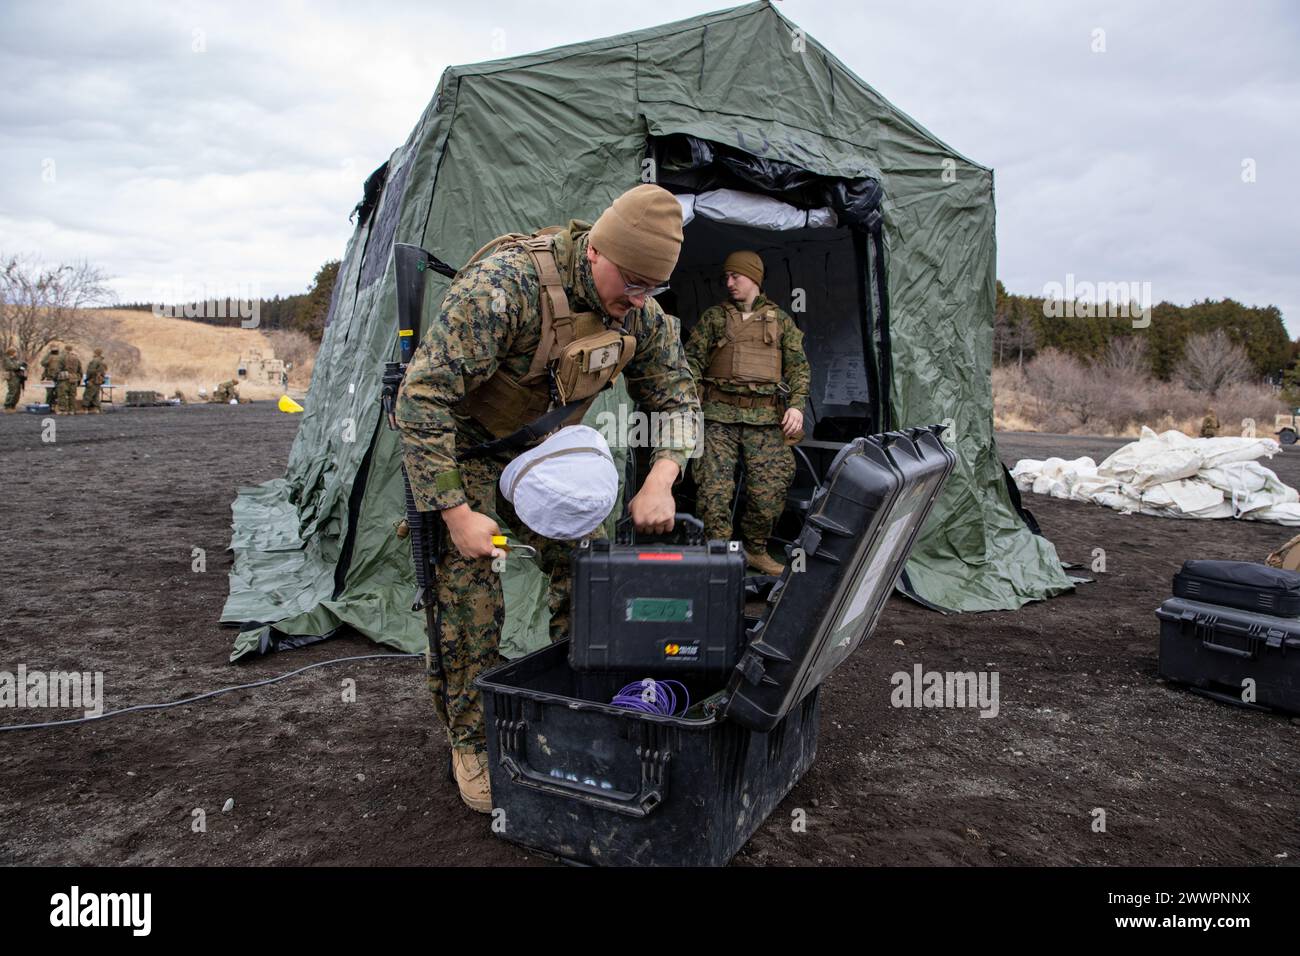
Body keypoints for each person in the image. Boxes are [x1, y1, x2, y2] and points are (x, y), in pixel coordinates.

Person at [395, 183, 698, 813]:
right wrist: (455, 513)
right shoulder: (504, 289)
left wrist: (660, 477)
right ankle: (473, 738)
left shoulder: (640, 315)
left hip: (543, 449)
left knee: (589, 567)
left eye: (653, 288)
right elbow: (421, 400)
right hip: (464, 448)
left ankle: (584, 701)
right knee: (471, 580)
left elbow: (677, 400)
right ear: (596, 252)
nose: (639, 299)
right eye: (633, 281)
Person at [684, 250, 809, 576]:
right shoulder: (714, 318)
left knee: (770, 491)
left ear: (754, 277)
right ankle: (718, 554)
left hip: (766, 419)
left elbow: (799, 369)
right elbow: (690, 363)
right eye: (725, 277)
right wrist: (694, 406)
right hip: (717, 417)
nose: (729, 282)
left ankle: (755, 550)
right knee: (713, 491)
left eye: (735, 276)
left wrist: (796, 405)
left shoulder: (781, 320)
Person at [56, 346, 82, 415]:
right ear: (71, 349)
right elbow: (80, 370)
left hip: (64, 379)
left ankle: (63, 410)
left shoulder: (61, 357)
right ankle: (72, 410)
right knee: (72, 395)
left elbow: (57, 369)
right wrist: (79, 379)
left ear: (65, 349)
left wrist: (55, 377)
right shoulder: (76, 358)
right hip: (74, 378)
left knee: (63, 395)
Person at [82, 348, 107, 414]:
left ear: (95, 353)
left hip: (93, 380)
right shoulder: (102, 361)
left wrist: (87, 378)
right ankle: (97, 409)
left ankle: (85, 409)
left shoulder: (95, 361)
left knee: (87, 395)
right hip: (98, 381)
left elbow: (90, 371)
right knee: (96, 395)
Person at [3, 347, 25, 412]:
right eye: (15, 352)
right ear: (12, 353)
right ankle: (7, 406)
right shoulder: (7, 359)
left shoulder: (14, 359)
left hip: (17, 377)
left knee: (17, 392)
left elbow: (19, 366)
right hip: (12, 377)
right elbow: (12, 367)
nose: (16, 354)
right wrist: (20, 365)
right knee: (12, 392)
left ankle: (13, 406)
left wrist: (22, 367)